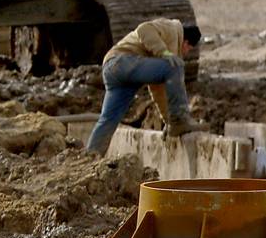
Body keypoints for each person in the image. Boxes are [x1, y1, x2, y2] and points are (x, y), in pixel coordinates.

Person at [86, 17, 208, 155]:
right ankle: (180, 119)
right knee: (176, 65)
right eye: (189, 49)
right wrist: (164, 52)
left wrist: (167, 121)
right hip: (122, 62)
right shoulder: (171, 29)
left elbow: (157, 90)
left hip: (112, 70)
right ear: (186, 42)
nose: (186, 53)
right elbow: (144, 29)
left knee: (109, 119)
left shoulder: (163, 59)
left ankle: (91, 156)